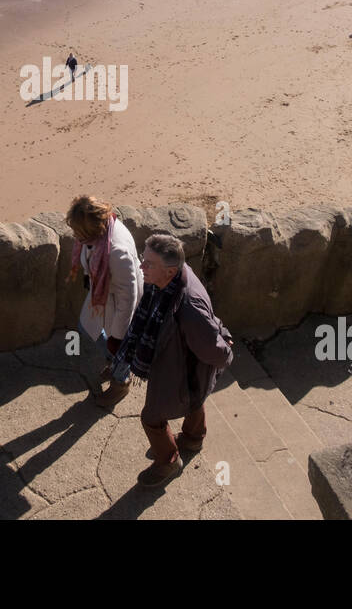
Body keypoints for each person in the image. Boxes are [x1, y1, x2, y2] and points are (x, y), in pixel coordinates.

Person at [106, 233, 233, 487]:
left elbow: (213, 348)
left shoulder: (186, 307)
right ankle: (193, 438)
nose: (141, 266)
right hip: (183, 366)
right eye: (143, 259)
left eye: (148, 264)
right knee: (196, 397)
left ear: (170, 270)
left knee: (151, 417)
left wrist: (226, 347)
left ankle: (169, 461)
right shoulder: (170, 280)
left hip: (181, 369)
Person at [66, 196, 142, 407]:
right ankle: (114, 359)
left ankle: (121, 382)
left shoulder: (117, 252)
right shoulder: (99, 238)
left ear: (91, 231)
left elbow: (129, 297)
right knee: (85, 327)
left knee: (122, 346)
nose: (74, 235)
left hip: (118, 305)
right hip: (102, 296)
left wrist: (117, 338)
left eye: (77, 231)